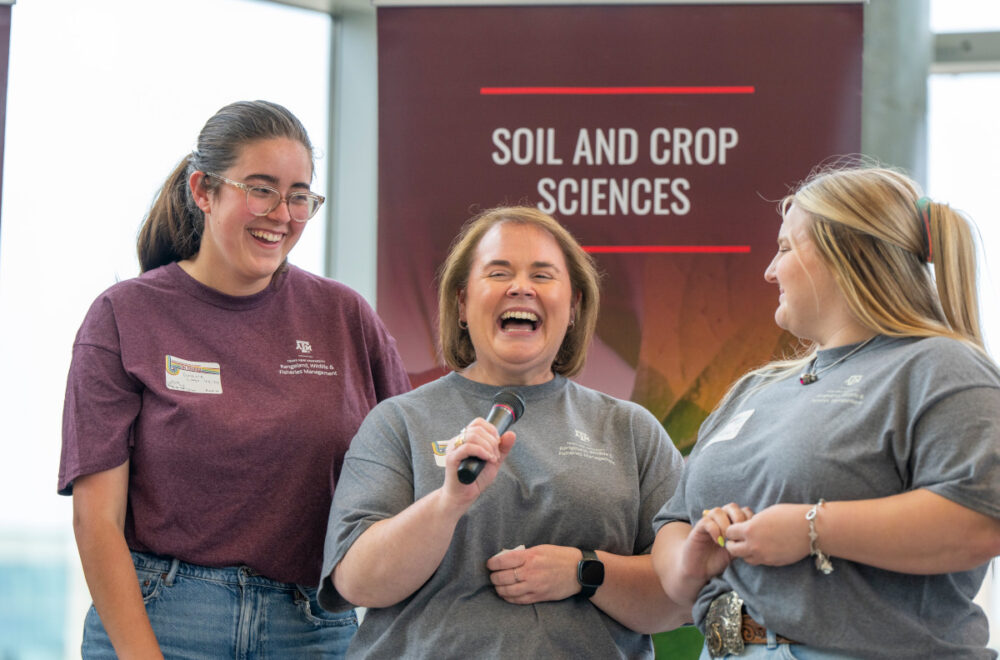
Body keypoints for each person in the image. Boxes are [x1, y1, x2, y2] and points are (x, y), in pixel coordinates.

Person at [58, 100, 411, 659]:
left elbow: (416, 471)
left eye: (299, 195)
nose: (282, 213)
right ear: (203, 189)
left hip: (313, 626)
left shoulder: (344, 317)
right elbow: (95, 519)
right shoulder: (124, 316)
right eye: (261, 188)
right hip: (161, 620)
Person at [651, 163, 1000, 659]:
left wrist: (813, 529)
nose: (770, 270)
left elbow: (981, 520)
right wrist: (688, 564)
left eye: (786, 247)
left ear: (847, 255)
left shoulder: (940, 366)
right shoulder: (754, 388)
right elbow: (673, 520)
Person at [318, 206, 688, 658]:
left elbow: (679, 598)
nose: (520, 287)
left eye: (543, 275)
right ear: (461, 303)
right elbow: (358, 581)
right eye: (499, 272)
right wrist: (447, 503)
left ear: (573, 308)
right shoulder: (399, 421)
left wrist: (583, 571)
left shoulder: (631, 430)